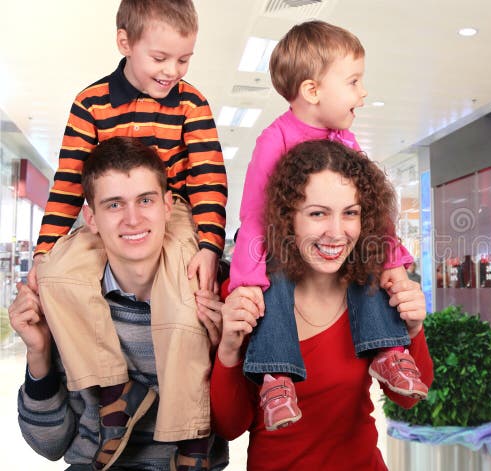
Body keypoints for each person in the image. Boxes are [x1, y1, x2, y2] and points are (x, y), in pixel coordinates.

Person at [26, 1, 226, 468]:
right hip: (107, 210)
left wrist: (210, 245)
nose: (172, 71)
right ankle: (115, 390)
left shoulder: (191, 103)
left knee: (184, 294)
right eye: (160, 58)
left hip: (172, 211)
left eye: (184, 59)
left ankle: (192, 432)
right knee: (56, 274)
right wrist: (42, 254)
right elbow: (68, 184)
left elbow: (209, 178)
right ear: (124, 43)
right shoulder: (90, 102)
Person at [227, 20, 422, 431]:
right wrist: (246, 278)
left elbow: (373, 214)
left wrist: (392, 261)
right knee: (274, 284)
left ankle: (388, 352)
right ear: (312, 90)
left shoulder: (346, 143)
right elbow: (255, 215)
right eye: (353, 81)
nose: (363, 93)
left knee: (365, 261)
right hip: (282, 252)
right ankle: (276, 378)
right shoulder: (274, 138)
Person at [212, 140, 433, 470]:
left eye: (350, 213)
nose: (335, 232)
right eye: (317, 213)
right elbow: (230, 427)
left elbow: (408, 399)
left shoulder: (373, 293)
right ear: (288, 218)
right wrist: (228, 350)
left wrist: (413, 329)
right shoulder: (249, 296)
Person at [12, 137, 227, 471]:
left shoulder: (214, 292)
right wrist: (38, 353)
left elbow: (237, 426)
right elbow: (49, 445)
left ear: (168, 207)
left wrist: (226, 356)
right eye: (114, 205)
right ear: (91, 219)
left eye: (145, 200)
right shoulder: (65, 302)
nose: (132, 219)